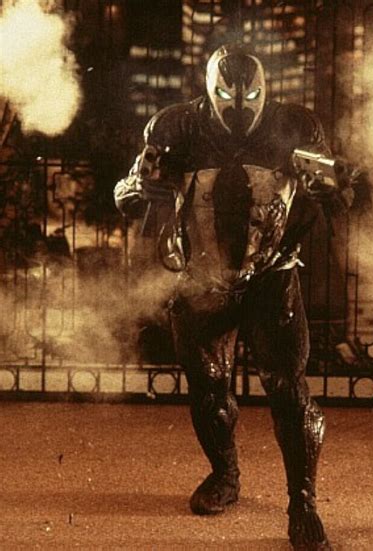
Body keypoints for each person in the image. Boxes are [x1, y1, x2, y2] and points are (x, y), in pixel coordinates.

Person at [114, 42, 355, 550]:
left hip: (271, 276)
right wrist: (138, 193)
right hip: (201, 280)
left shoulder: (296, 126)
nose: (239, 107)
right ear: (209, 89)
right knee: (208, 387)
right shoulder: (174, 127)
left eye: (250, 95)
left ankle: (303, 503)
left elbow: (339, 192)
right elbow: (130, 189)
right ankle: (225, 474)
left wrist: (335, 188)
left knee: (288, 390)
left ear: (266, 89)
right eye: (226, 95)